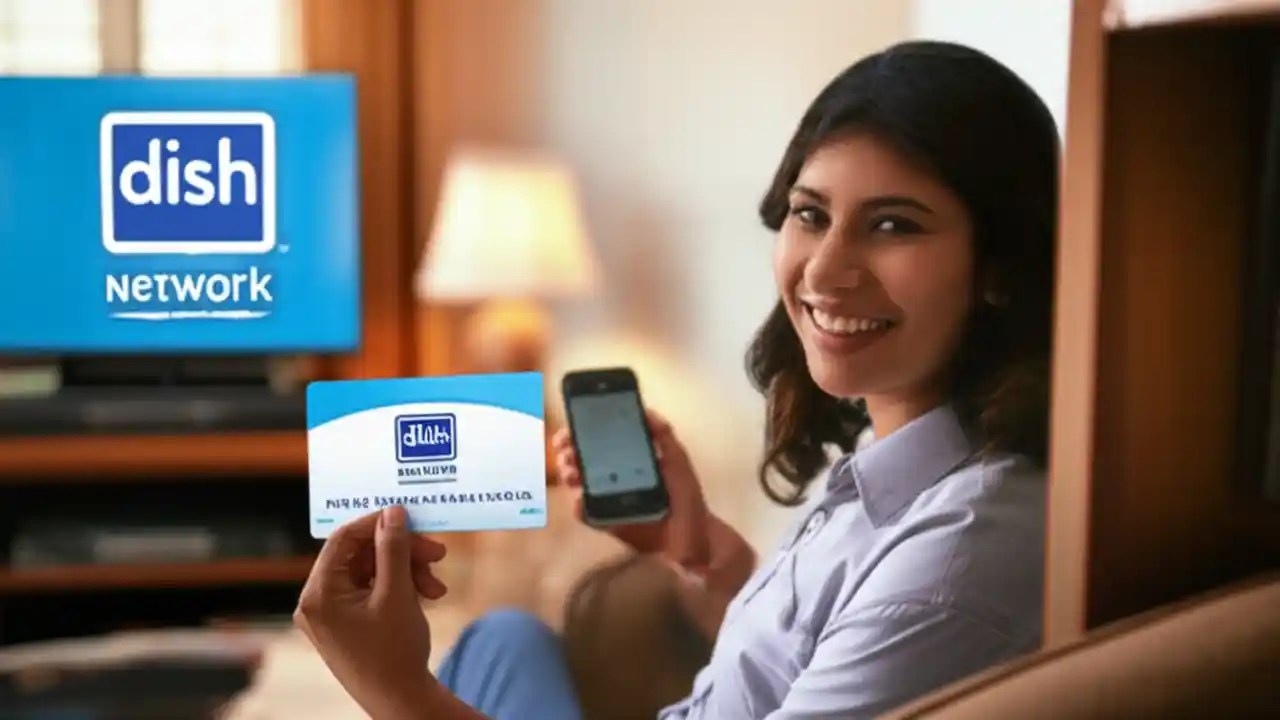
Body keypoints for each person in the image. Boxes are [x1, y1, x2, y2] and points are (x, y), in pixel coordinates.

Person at [293, 39, 1059, 720]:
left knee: (464, 665)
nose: (824, 271)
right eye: (810, 214)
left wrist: (396, 690)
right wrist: (698, 554)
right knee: (505, 637)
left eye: (894, 224)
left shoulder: (961, 552)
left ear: (999, 268)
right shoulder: (892, 466)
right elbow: (795, 650)